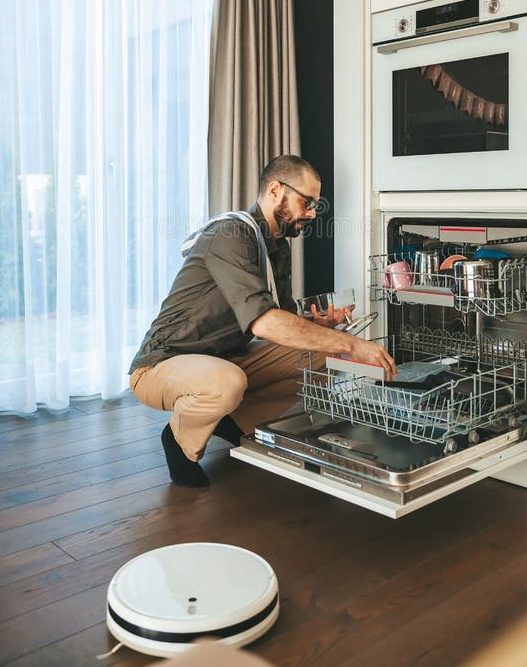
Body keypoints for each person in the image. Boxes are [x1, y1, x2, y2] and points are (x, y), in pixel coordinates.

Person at [129, 155, 396, 488]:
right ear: (275, 190)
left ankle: (229, 419)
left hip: (223, 358)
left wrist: (323, 329)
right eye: (307, 202)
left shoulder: (276, 246)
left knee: (324, 354)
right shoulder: (230, 233)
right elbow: (264, 323)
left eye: (316, 204)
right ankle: (179, 441)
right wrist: (355, 343)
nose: (312, 213)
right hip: (161, 364)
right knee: (226, 382)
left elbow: (281, 322)